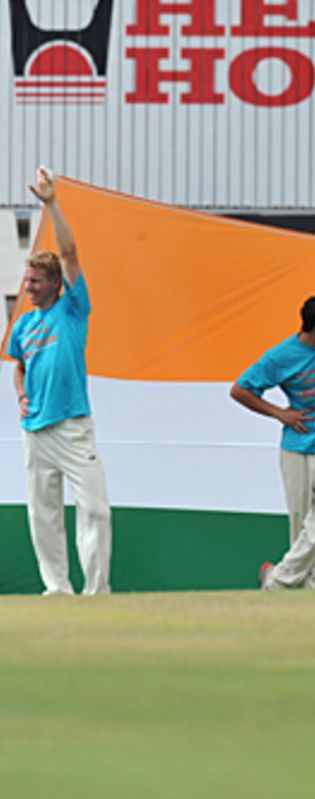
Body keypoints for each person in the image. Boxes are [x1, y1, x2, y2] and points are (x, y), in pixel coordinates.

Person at [230, 223, 315, 590]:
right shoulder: (281, 356)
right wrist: (280, 413)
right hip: (298, 451)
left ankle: (276, 581)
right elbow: (240, 390)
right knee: (303, 529)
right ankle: (308, 600)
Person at [7, 167, 112, 595]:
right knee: (43, 513)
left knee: (96, 511)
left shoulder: (71, 310)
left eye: (34, 281)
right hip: (36, 430)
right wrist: (20, 396)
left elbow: (69, 255)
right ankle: (57, 590)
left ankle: (96, 592)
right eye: (25, 280)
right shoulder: (25, 324)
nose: (27, 288)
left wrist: (51, 204)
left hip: (72, 426)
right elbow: (19, 365)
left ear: (54, 284)